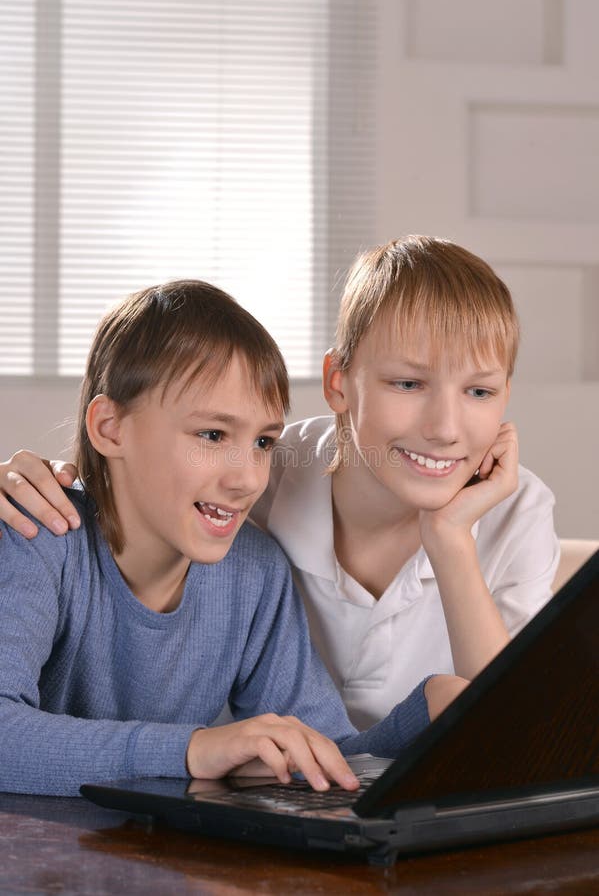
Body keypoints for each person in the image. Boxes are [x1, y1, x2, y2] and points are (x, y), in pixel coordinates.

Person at [0, 236, 558, 732]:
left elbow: (333, 745)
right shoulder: (259, 480)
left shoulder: (254, 567)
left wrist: (428, 706)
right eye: (408, 382)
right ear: (339, 384)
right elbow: (129, 472)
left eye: (480, 392)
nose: (443, 429)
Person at [0, 279, 463, 797]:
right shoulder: (34, 538)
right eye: (213, 435)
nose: (247, 479)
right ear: (110, 429)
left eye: (264, 441)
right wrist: (197, 749)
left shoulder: (255, 572)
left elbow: (319, 754)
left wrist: (427, 715)